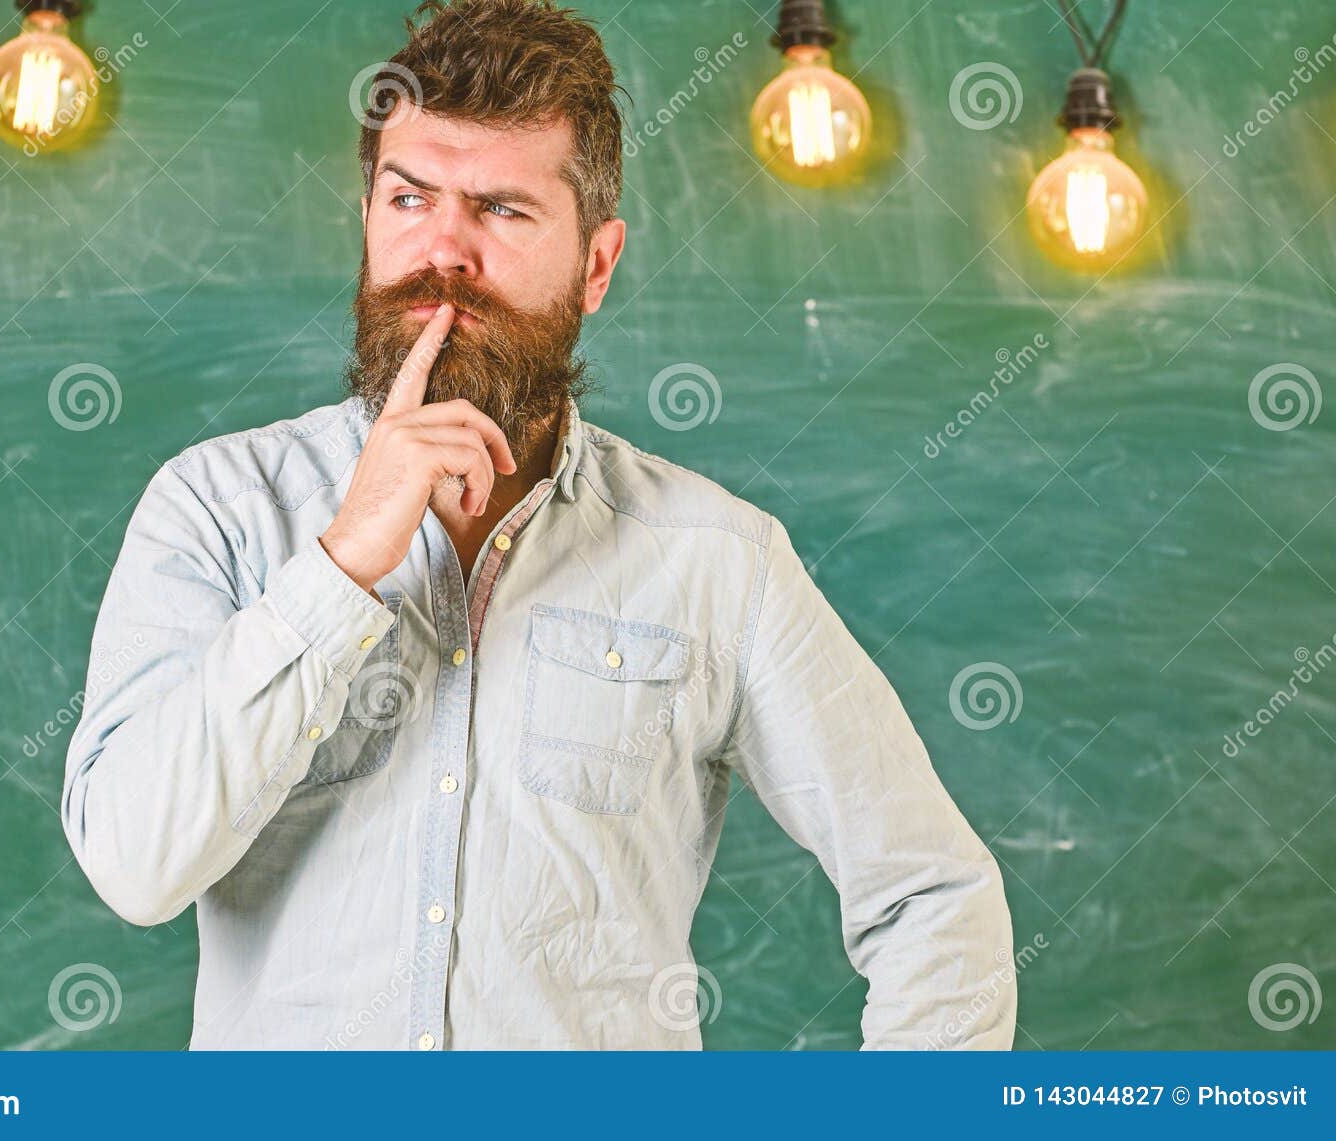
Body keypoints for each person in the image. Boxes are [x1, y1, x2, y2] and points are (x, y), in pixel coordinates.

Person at [61, 0, 1015, 1050]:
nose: (444, 252)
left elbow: (932, 896)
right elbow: (134, 866)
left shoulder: (718, 562)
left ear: (596, 267)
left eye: (503, 211)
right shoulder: (216, 509)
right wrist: (340, 572)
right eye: (408, 198)